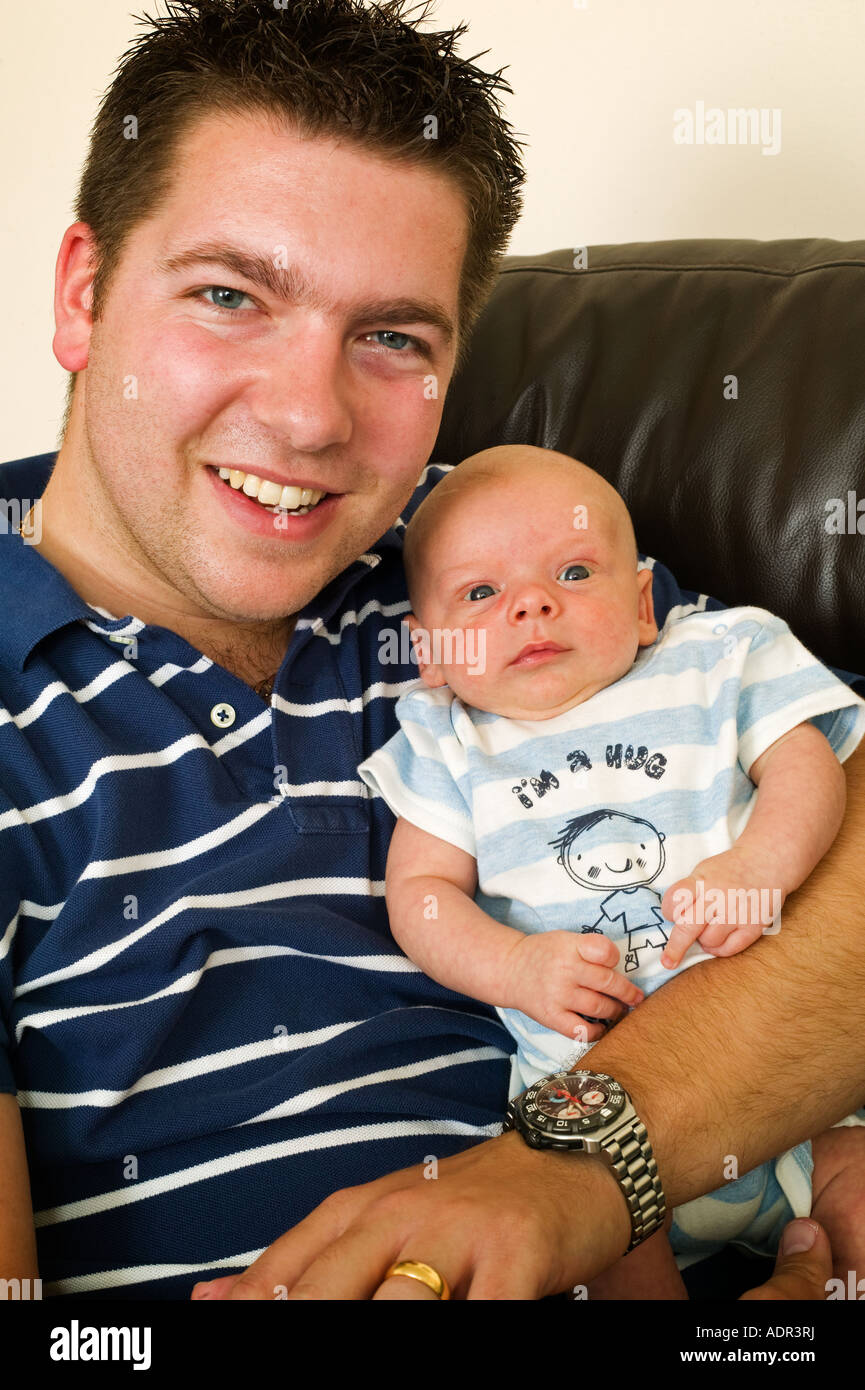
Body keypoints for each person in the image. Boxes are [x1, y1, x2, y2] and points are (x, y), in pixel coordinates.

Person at [1, 0, 864, 1302]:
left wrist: (589, 1161)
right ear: (84, 294)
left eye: (392, 336)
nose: (307, 417)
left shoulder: (510, 551)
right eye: (229, 294)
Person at [355, 444, 865, 1298]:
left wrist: (757, 867)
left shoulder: (717, 655)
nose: (532, 605)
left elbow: (806, 764)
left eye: (573, 571)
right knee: (611, 1260)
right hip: (591, 1131)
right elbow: (421, 896)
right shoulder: (444, 742)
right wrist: (514, 965)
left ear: (639, 604)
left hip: (804, 1092)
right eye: (481, 594)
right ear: (429, 650)